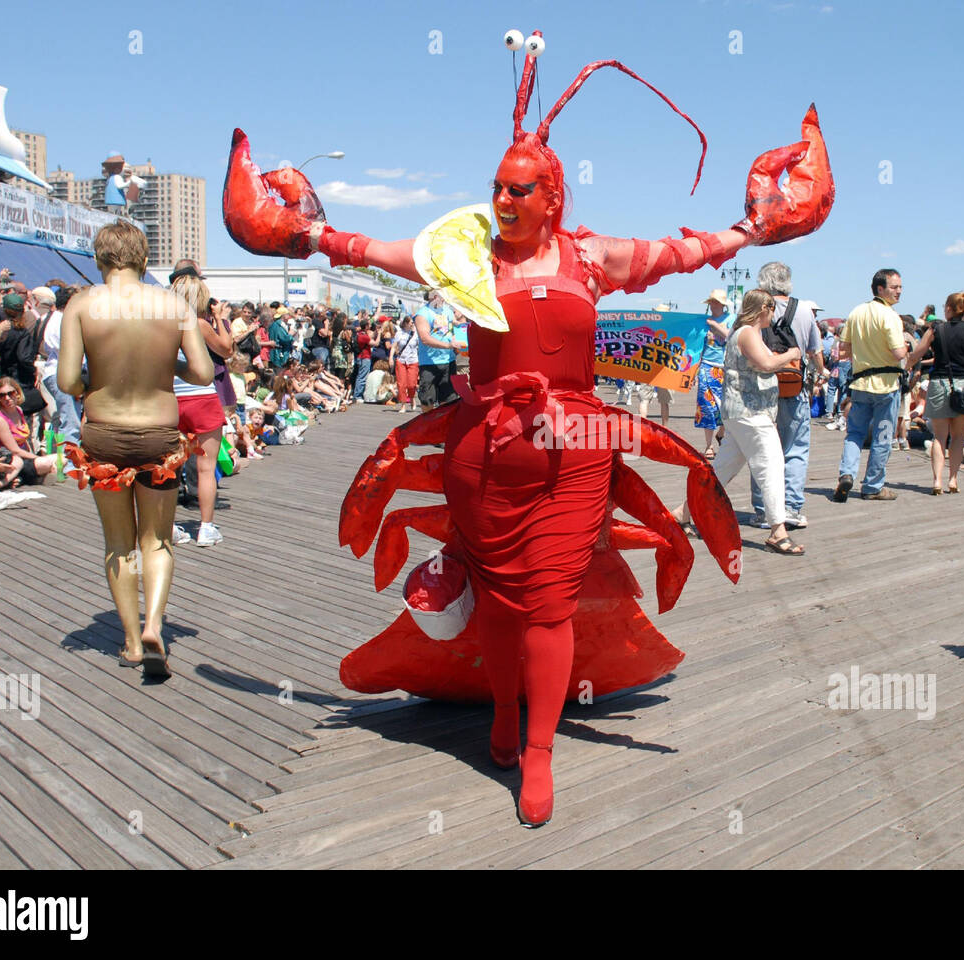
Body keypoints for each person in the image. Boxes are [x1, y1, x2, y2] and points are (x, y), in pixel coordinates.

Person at [222, 34, 837, 825]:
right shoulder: (460, 253)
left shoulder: (593, 257)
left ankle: (537, 749)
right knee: (505, 604)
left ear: (552, 198)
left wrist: (751, 229)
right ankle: (504, 717)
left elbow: (689, 251)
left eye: (519, 192)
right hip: (484, 453)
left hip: (575, 453)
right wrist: (306, 230)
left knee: (549, 606)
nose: (503, 203)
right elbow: (359, 247)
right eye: (497, 189)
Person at [58, 219, 214, 677]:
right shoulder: (171, 305)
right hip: (157, 435)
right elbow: (204, 374)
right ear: (144, 258)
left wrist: (96, 380)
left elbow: (67, 380)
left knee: (118, 542)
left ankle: (128, 640)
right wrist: (167, 369)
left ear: (100, 257)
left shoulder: (81, 306)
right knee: (158, 539)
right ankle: (153, 626)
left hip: (103, 432)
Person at [673, 289, 803, 554]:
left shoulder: (741, 332)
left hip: (741, 413)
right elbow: (766, 364)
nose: (774, 313)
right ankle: (778, 531)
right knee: (772, 467)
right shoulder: (746, 333)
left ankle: (682, 513)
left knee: (721, 470)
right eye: (772, 308)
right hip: (751, 413)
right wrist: (791, 354)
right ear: (763, 308)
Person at [749, 262, 825, 528]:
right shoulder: (804, 309)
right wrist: (822, 372)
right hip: (794, 390)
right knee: (795, 450)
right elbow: (814, 351)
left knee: (761, 451)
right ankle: (791, 508)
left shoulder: (755, 308)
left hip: (760, 390)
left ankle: (763, 510)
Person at [835, 268, 906, 502]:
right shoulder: (890, 316)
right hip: (886, 386)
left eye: (900, 287)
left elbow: (843, 349)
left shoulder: (857, 312)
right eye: (894, 287)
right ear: (880, 289)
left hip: (861, 383)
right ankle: (873, 486)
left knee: (854, 433)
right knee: (883, 437)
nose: (899, 292)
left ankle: (847, 473)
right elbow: (898, 353)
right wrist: (906, 348)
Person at [168, 275, 229, 548]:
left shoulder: (161, 324)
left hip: (170, 399)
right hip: (201, 398)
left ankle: (167, 525)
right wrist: (219, 318)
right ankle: (206, 527)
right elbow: (226, 349)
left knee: (171, 468)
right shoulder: (199, 323)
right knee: (206, 469)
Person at [905, 291, 964, 493]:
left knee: (939, 437)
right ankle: (953, 479)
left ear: (949, 308)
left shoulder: (935, 328)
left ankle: (937, 481)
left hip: (939, 381)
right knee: (958, 436)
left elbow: (917, 353)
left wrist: (908, 364)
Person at [37, 286, 85, 446]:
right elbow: (71, 351)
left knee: (61, 420)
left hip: (59, 372)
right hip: (63, 373)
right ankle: (68, 466)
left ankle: (58, 460)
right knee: (70, 423)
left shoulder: (57, 319)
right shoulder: (62, 321)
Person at [0, 377, 58, 486]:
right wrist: (38, 458)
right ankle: (19, 478)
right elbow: (15, 451)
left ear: (17, 393)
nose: (7, 398)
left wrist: (34, 457)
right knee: (48, 462)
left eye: (10, 393)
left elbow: (24, 441)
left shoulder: (19, 410)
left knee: (61, 459)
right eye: (2, 395)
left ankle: (23, 478)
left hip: (25, 457)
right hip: (10, 460)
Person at [694, 289, 730, 458]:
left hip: (726, 367)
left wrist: (715, 326)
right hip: (707, 367)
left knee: (727, 406)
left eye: (716, 302)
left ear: (723, 304)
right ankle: (708, 446)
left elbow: (733, 337)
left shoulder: (731, 319)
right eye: (712, 302)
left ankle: (722, 433)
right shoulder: (704, 321)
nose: (714, 305)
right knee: (706, 406)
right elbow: (698, 346)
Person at [413, 289, 459, 411]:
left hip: (449, 362)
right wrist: (448, 346)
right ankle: (427, 427)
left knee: (449, 399)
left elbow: (454, 328)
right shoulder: (422, 314)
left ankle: (445, 428)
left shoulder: (447, 311)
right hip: (429, 363)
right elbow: (425, 338)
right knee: (427, 400)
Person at [390, 311, 420, 412]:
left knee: (412, 384)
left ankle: (411, 398)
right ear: (406, 323)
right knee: (401, 383)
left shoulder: (416, 334)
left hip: (413, 360)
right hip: (401, 360)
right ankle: (403, 404)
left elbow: (420, 347)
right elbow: (394, 346)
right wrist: (391, 358)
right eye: (411, 322)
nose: (413, 324)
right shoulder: (400, 333)